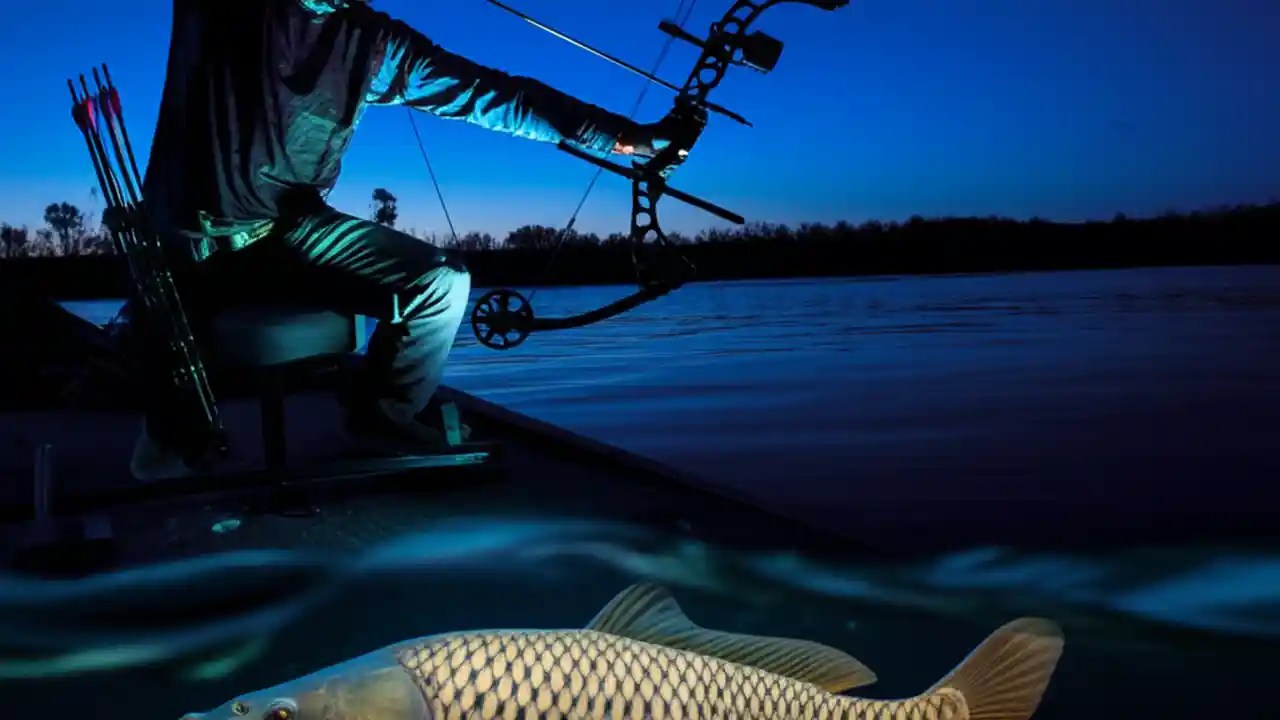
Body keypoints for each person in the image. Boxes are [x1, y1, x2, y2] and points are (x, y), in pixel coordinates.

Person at [129, 0, 677, 480]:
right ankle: (171, 430)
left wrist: (626, 138)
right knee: (172, 445)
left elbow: (491, 94)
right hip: (188, 239)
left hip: (290, 228)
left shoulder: (373, 42)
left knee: (440, 283)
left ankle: (381, 418)